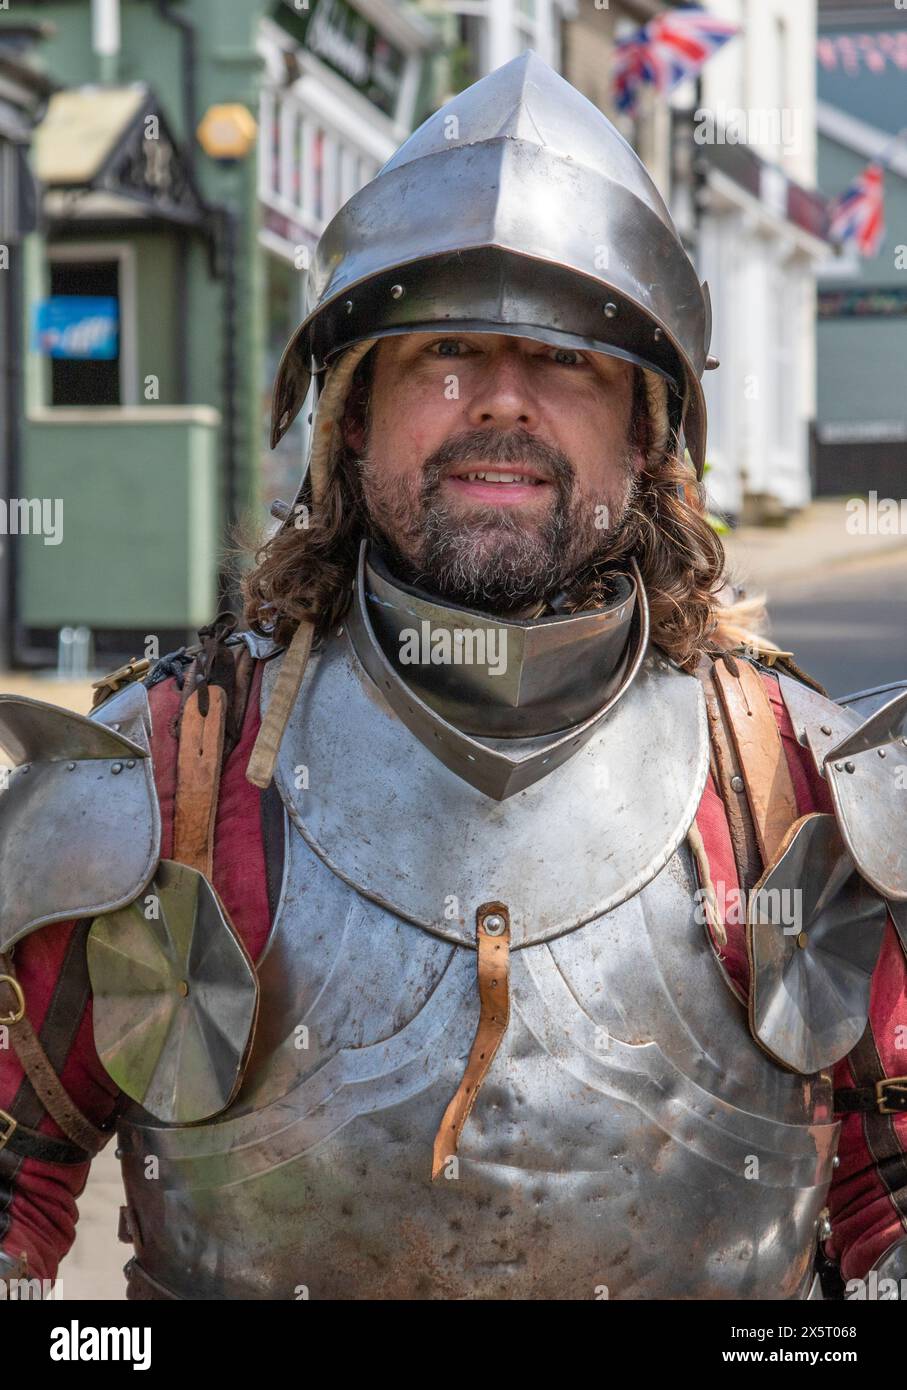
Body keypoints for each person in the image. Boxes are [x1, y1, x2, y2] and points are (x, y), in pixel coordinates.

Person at [1, 53, 905, 1302]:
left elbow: (882, 1192)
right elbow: (16, 1184)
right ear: (352, 416)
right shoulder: (167, 775)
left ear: (646, 431)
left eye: (567, 358)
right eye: (443, 348)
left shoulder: (788, 784)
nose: (500, 401)